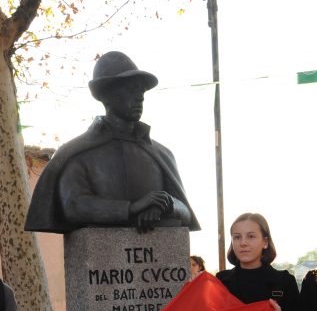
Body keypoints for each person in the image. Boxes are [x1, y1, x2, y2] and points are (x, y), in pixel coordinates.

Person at [24, 51, 199, 234]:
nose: (140, 96)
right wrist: (132, 208)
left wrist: (165, 204)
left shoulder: (161, 154)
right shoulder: (77, 154)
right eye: (131, 89)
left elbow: (185, 212)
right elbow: (74, 207)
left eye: (142, 90)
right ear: (107, 95)